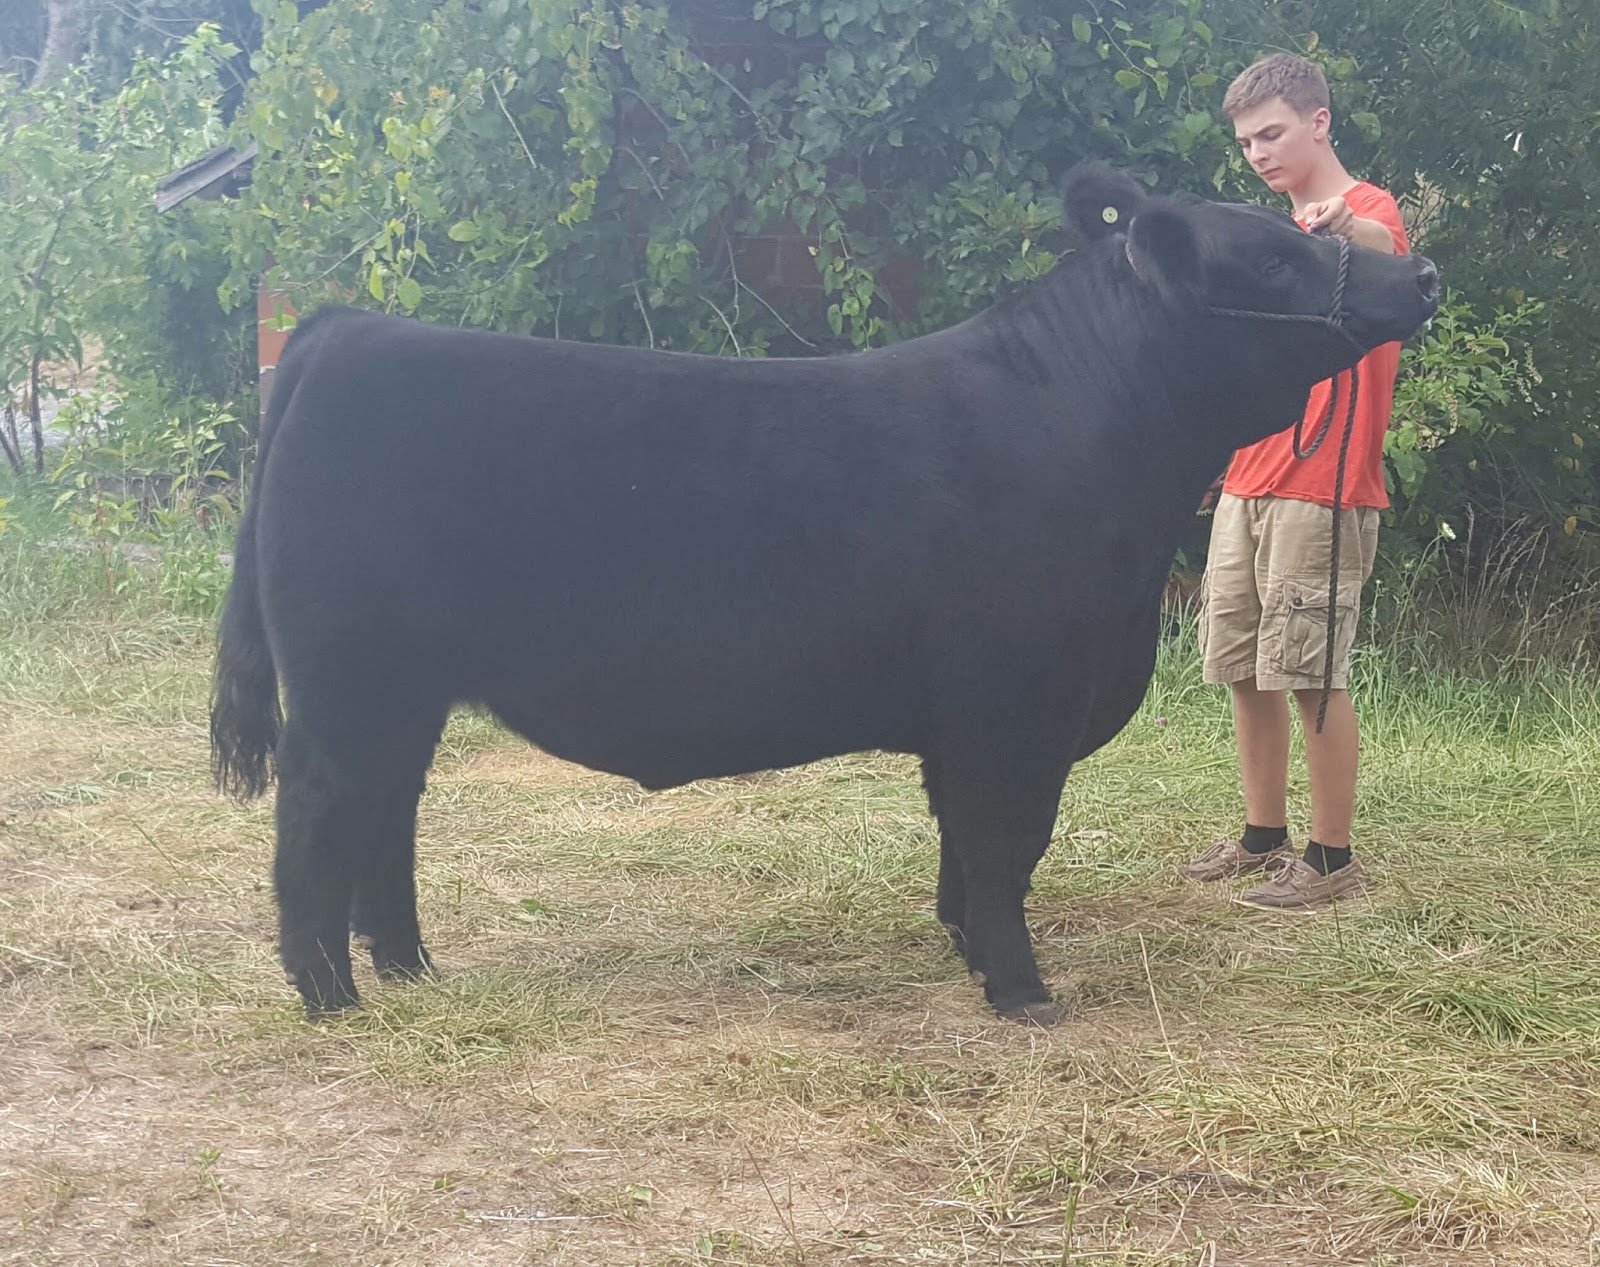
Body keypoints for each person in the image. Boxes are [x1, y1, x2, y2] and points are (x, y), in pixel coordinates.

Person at [1182, 53, 1409, 908]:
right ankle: (1262, 834)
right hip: (1251, 475)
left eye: (1271, 133)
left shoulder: (1367, 214)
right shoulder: (1277, 238)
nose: (1258, 153)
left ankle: (1331, 859)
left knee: (1312, 672)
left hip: (1328, 483)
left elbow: (1388, 251)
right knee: (1242, 664)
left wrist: (1344, 225)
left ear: (1319, 121)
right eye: (1245, 143)